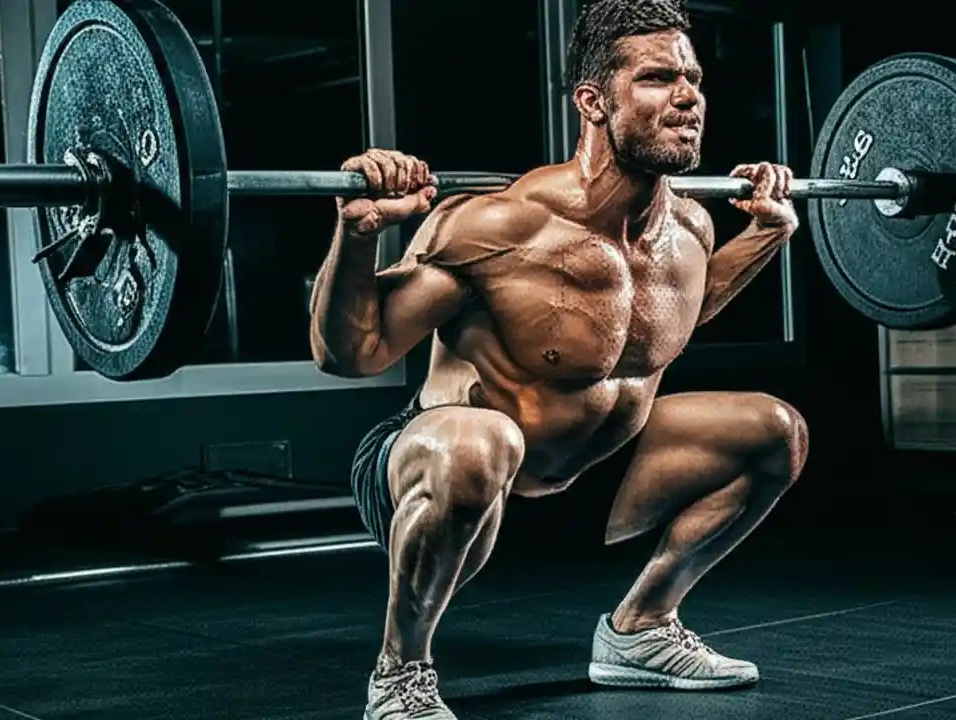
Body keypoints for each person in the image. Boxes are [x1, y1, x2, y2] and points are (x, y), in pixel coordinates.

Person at [309, 1, 808, 717]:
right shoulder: (500, 225)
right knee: (485, 441)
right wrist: (357, 237)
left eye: (694, 78)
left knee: (775, 432)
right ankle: (400, 673)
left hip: (584, 475)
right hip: (446, 463)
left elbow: (663, 320)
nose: (689, 96)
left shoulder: (693, 228)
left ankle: (641, 631)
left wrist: (766, 235)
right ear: (593, 102)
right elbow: (350, 353)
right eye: (659, 77)